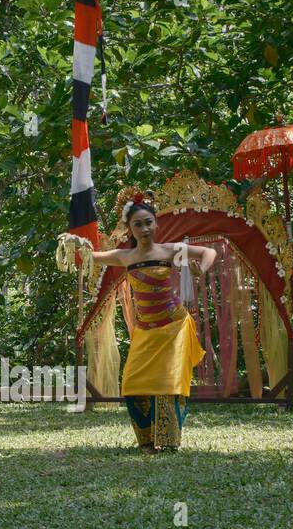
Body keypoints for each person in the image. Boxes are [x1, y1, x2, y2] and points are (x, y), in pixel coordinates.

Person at [88, 193, 213, 451]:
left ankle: (168, 442)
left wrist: (203, 269)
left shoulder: (169, 250)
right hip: (145, 332)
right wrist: (75, 244)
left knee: (168, 384)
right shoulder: (124, 256)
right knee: (133, 384)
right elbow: (89, 257)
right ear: (129, 229)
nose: (144, 228)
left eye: (148, 223)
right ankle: (146, 440)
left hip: (174, 328)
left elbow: (207, 252)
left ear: (156, 224)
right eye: (138, 224)